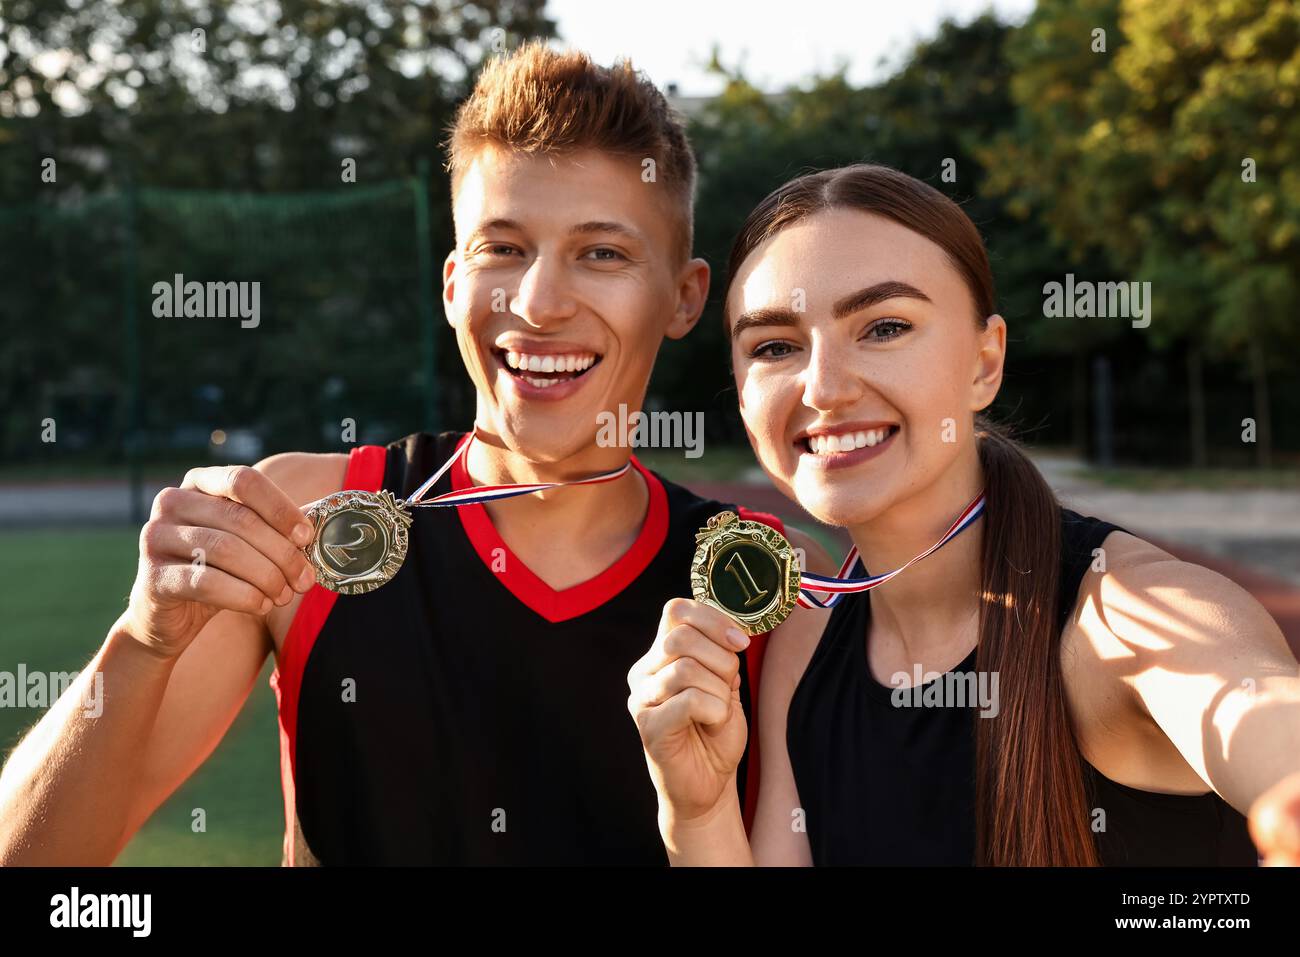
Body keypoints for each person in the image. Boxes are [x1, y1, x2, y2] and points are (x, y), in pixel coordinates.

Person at [0, 42, 828, 866]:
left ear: (684, 297)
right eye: (501, 248)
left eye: (601, 253)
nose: (538, 303)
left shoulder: (767, 584)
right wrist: (143, 640)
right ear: (451, 285)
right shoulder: (302, 519)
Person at [628, 163, 1300, 866]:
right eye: (774, 346)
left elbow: (1251, 707)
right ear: (740, 393)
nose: (823, 387)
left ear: (986, 361)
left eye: (884, 327)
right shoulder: (800, 640)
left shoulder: (1123, 616)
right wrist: (696, 811)